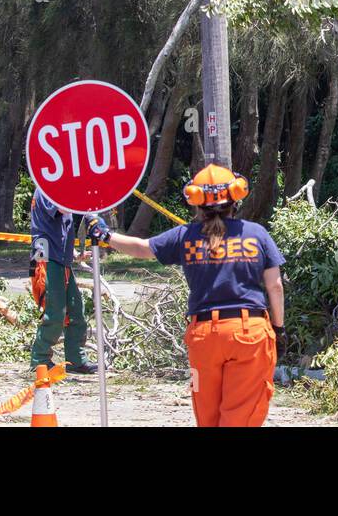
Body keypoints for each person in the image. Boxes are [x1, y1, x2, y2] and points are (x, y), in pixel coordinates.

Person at [87, 163, 286, 427]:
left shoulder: (185, 236)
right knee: (241, 415)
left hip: (204, 337)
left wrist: (105, 235)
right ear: (236, 197)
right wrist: (279, 328)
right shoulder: (256, 234)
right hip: (249, 334)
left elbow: (142, 248)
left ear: (196, 202)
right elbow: (275, 286)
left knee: (208, 415)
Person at [29, 189, 97, 374]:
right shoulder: (47, 190)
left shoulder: (62, 192)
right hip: (45, 258)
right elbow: (62, 208)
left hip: (60, 259)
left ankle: (76, 360)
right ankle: (40, 360)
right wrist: (88, 199)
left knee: (76, 311)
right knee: (55, 312)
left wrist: (74, 254)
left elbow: (60, 231)